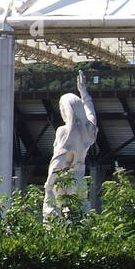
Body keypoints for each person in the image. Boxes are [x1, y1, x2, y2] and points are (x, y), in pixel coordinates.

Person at [42, 70, 98, 221]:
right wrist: (84, 93)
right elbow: (91, 114)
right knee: (81, 216)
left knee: (54, 218)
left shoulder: (64, 132)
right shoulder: (88, 132)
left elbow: (58, 162)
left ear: (66, 110)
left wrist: (48, 185)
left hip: (63, 180)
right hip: (79, 179)